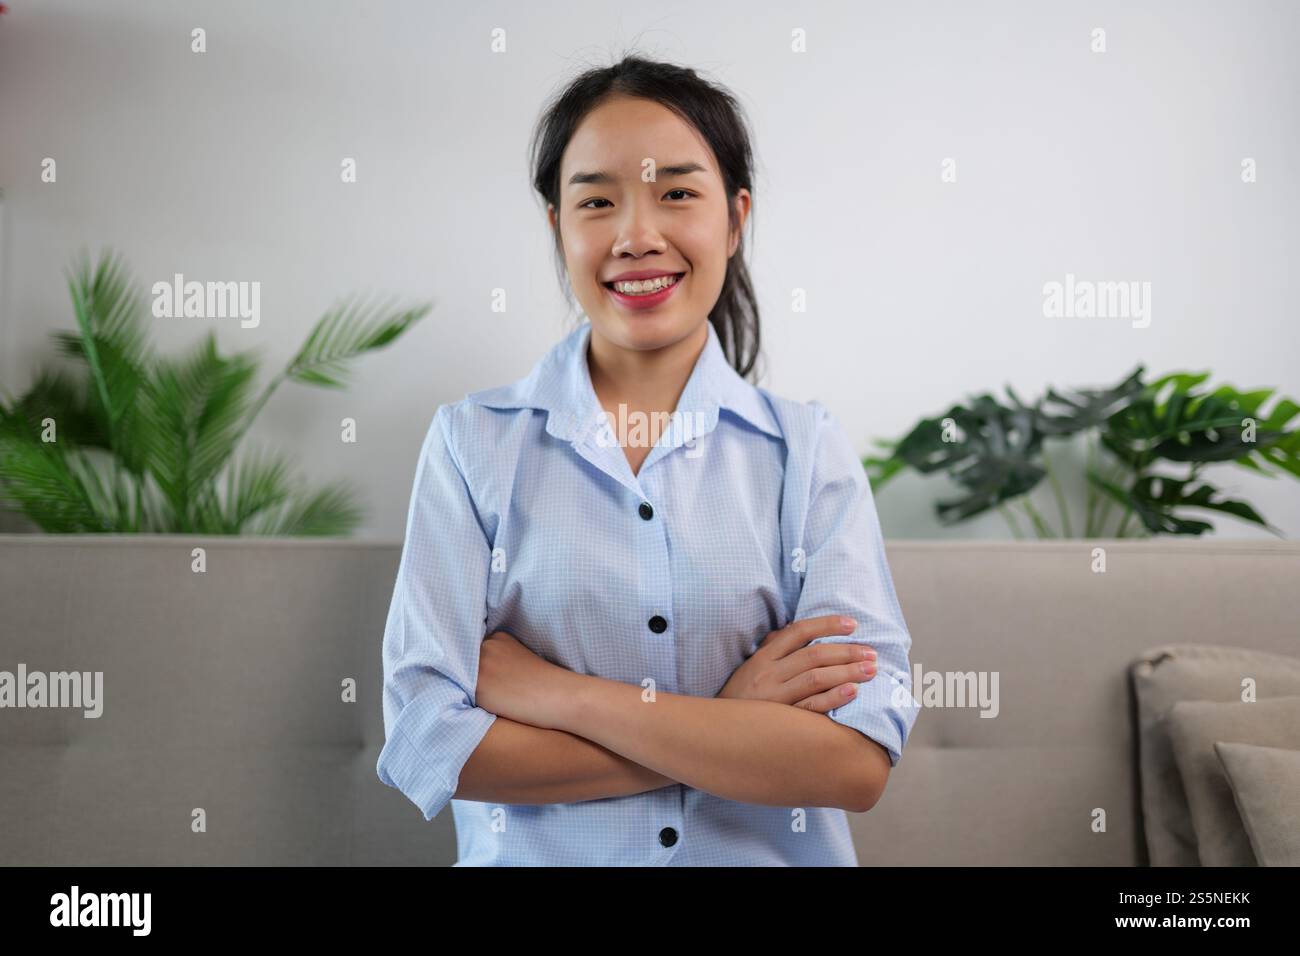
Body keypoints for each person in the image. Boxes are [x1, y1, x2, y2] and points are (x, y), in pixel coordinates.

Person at [377, 54, 919, 866]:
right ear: (557, 225)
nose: (636, 236)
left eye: (676, 193)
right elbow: (432, 745)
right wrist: (730, 720)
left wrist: (560, 697)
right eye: (596, 200)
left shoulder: (807, 451)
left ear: (735, 219)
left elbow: (852, 762)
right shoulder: (472, 444)